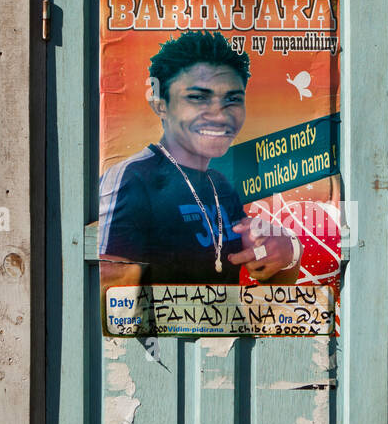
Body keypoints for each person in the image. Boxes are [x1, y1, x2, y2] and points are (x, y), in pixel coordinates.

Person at [98, 29, 301, 290]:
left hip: (227, 330)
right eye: (197, 97)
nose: (219, 115)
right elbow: (106, 303)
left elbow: (274, 287)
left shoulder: (221, 186)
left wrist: (287, 253)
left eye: (232, 99)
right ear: (160, 104)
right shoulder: (132, 179)